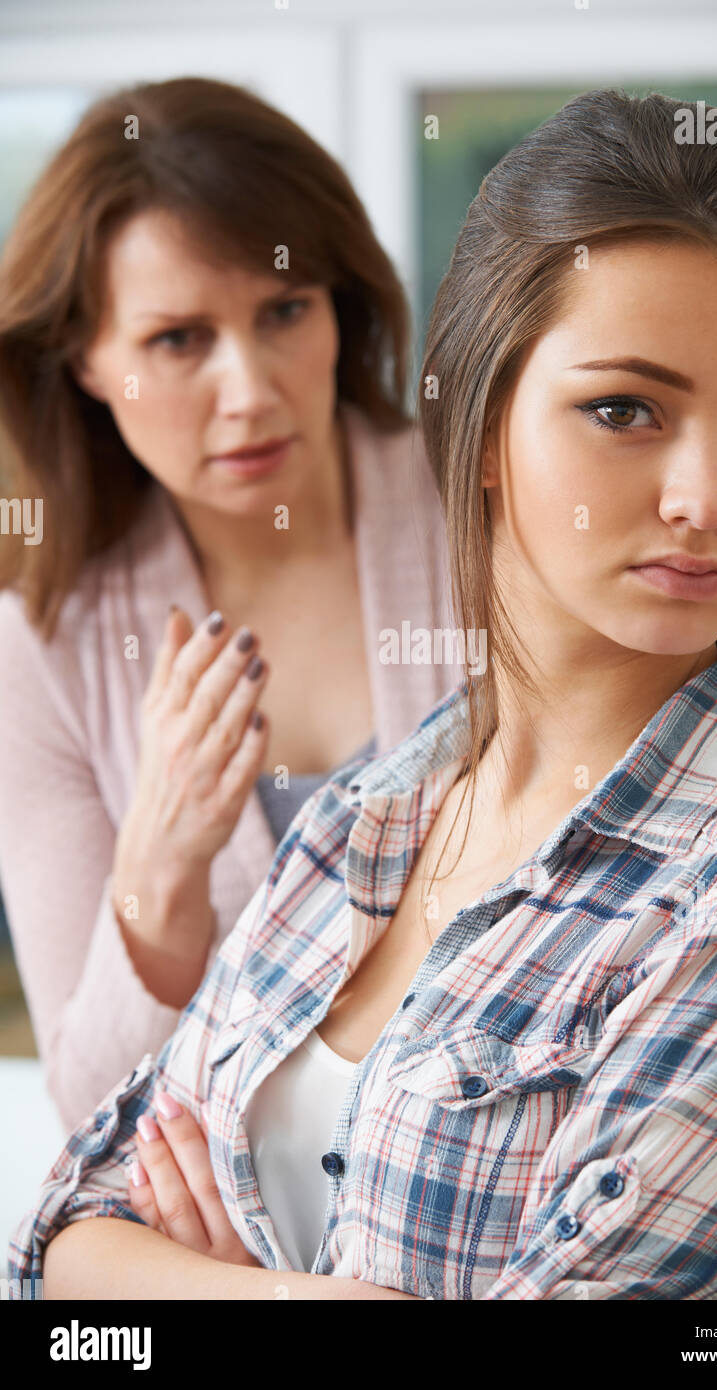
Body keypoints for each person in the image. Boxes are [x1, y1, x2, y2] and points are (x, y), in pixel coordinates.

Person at [8, 88, 717, 1301]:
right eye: (624, 408)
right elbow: (52, 1249)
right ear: (474, 425)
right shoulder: (374, 807)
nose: (704, 499)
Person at [0, 77, 461, 1132]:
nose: (248, 388)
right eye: (177, 340)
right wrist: (159, 867)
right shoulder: (41, 644)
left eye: (284, 311)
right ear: (84, 362)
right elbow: (89, 1104)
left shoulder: (478, 507)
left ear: (340, 306)